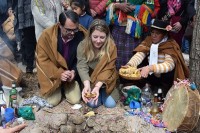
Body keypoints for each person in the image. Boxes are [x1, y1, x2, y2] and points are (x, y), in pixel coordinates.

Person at [122, 19, 189, 95]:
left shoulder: (170, 45)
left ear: (164, 34)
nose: (153, 35)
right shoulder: (149, 41)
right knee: (139, 67)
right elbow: (140, 54)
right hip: (151, 75)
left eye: (157, 33)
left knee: (167, 77)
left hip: (164, 77)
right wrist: (129, 65)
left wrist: (150, 68)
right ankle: (148, 85)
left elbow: (169, 65)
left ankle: (163, 90)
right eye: (152, 32)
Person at [36, 10, 85, 106]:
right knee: (52, 102)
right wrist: (60, 74)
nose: (72, 33)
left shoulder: (81, 35)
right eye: (68, 30)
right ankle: (58, 87)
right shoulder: (47, 36)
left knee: (75, 100)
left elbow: (82, 59)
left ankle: (66, 87)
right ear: (60, 25)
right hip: (54, 75)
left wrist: (74, 72)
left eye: (75, 29)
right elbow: (43, 60)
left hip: (71, 75)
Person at [106, 0, 160, 71]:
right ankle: (116, 78)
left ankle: (130, 77)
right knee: (115, 55)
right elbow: (108, 4)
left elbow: (151, 6)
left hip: (135, 29)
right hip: (117, 28)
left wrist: (134, 7)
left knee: (133, 55)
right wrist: (118, 5)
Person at [77, 19, 119, 108]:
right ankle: (96, 92)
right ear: (90, 35)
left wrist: (97, 87)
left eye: (102, 37)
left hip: (106, 80)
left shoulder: (111, 46)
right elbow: (82, 66)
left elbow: (109, 68)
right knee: (92, 104)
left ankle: (103, 91)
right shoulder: (82, 45)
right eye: (95, 37)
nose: (98, 41)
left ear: (107, 36)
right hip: (91, 79)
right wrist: (86, 84)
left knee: (110, 104)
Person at [16, 0, 37, 73]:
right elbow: (20, 7)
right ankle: (29, 66)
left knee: (37, 43)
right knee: (29, 45)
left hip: (37, 21)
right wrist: (21, 24)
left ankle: (38, 65)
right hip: (27, 23)